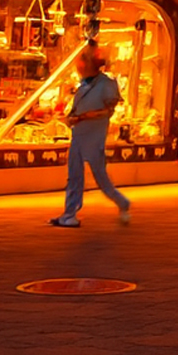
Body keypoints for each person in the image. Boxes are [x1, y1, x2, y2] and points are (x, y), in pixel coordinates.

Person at [50, 45, 131, 228]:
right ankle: (69, 214)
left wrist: (82, 117)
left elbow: (107, 111)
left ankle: (122, 203)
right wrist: (72, 118)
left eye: (82, 61)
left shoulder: (107, 84)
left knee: (101, 178)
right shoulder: (84, 84)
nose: (78, 66)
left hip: (94, 137)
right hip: (79, 135)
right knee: (74, 176)